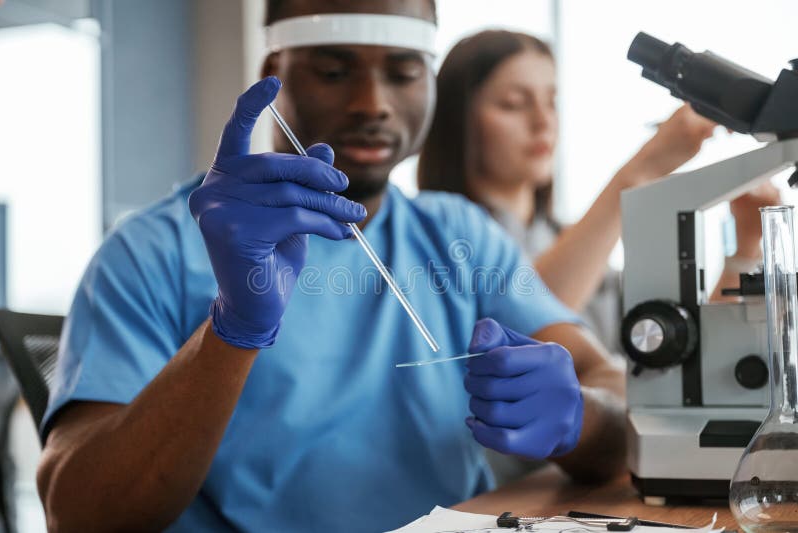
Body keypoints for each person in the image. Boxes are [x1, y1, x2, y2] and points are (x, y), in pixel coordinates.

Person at [35, 2, 626, 532]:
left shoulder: (460, 235)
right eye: (334, 71)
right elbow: (77, 513)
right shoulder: (151, 250)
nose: (373, 103)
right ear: (274, 70)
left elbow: (613, 393)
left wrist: (584, 419)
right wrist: (232, 329)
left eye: (403, 71)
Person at [418, 30, 781, 355]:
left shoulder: (576, 245)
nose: (543, 121)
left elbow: (672, 358)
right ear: (456, 118)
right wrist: (643, 170)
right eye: (513, 103)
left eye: (551, 101)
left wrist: (745, 249)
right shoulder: (434, 235)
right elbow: (529, 328)